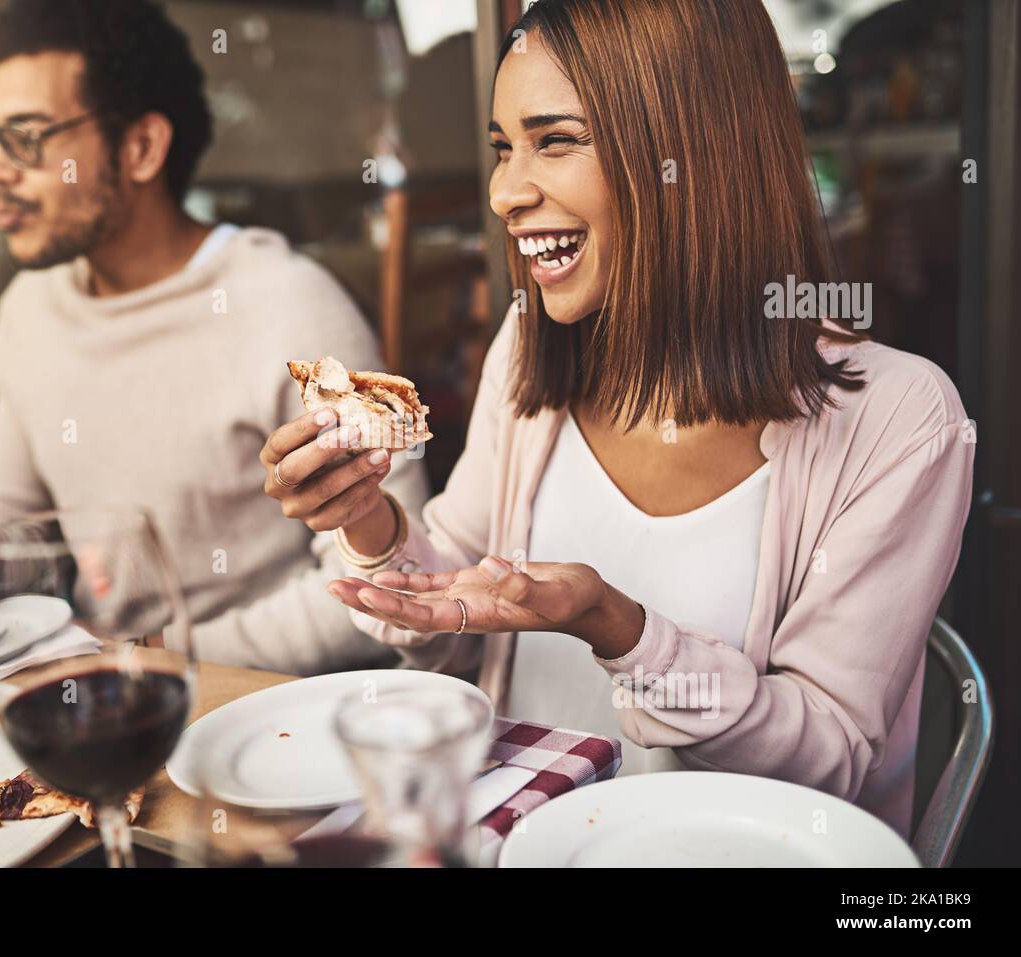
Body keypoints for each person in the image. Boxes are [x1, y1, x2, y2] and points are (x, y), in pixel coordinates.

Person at [261, 0, 974, 836]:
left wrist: (618, 628)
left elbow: (828, 756)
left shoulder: (900, 419)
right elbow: (455, 616)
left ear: (694, 151)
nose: (504, 192)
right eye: (503, 147)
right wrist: (368, 520)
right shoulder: (528, 348)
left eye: (555, 141)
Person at [0, 0, 428, 676]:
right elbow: (3, 510)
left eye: (25, 137)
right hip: (107, 695)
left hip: (264, 709)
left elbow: (388, 584)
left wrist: (147, 662)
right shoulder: (31, 309)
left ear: (141, 148)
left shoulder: (288, 304)